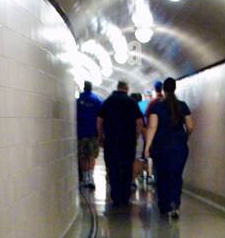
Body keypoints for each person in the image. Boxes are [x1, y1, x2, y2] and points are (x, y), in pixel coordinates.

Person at [143, 77, 194, 218]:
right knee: (176, 175)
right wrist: (185, 138)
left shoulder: (156, 106)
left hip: (161, 147)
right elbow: (190, 126)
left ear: (163, 89)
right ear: (175, 88)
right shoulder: (182, 105)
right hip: (179, 147)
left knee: (163, 175)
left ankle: (164, 205)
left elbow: (152, 127)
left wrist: (147, 147)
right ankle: (175, 204)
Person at [97, 80, 140, 208]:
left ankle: (115, 197)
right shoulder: (131, 102)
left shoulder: (108, 101)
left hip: (111, 141)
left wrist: (100, 136)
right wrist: (136, 137)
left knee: (113, 168)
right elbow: (139, 122)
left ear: (117, 87)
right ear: (127, 88)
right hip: (128, 141)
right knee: (127, 169)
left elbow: (99, 120)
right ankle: (125, 197)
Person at [76, 81, 102, 188]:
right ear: (91, 88)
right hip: (93, 133)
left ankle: (85, 178)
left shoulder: (78, 100)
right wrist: (100, 134)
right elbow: (100, 119)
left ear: (83, 87)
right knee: (91, 156)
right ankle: (91, 178)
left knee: (82, 156)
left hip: (81, 133)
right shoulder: (97, 100)